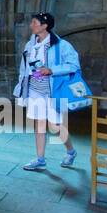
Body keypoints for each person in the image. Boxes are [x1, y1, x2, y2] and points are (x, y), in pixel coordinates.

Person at [13, 11, 79, 171]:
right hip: (35, 90)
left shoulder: (61, 45)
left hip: (53, 91)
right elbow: (24, 67)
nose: (31, 25)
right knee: (40, 124)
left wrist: (51, 70)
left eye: (34, 23)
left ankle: (71, 152)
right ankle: (40, 159)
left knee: (56, 126)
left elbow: (73, 65)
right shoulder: (30, 45)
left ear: (45, 26)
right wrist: (21, 86)